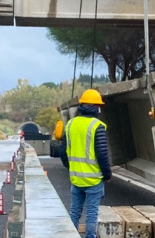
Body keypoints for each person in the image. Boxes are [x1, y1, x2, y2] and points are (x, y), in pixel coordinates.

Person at [60, 89, 112, 238]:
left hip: (76, 178)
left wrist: (71, 167)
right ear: (96, 107)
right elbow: (102, 154)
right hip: (93, 179)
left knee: (75, 211)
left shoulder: (70, 124)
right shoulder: (97, 126)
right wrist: (107, 174)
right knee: (91, 213)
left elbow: (63, 151)